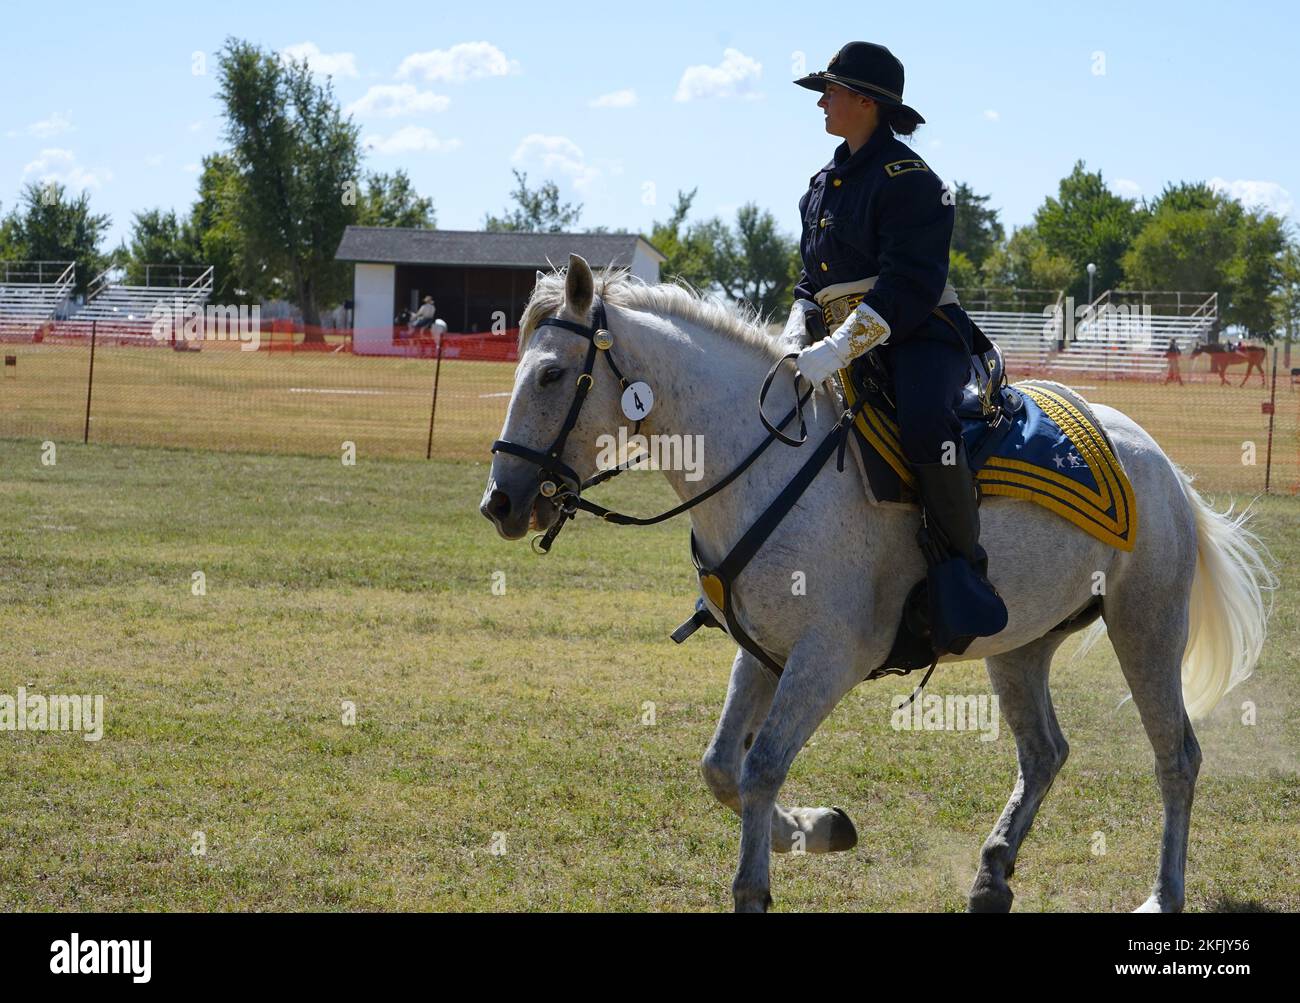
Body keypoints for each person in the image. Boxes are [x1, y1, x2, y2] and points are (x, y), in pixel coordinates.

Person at [784, 41, 1007, 655]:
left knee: (925, 423)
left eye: (831, 91)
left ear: (865, 102)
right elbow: (812, 281)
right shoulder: (820, 186)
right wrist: (796, 329)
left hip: (918, 335)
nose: (822, 102)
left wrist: (838, 348)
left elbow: (909, 285)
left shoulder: (911, 180)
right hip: (841, 342)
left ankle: (962, 573)